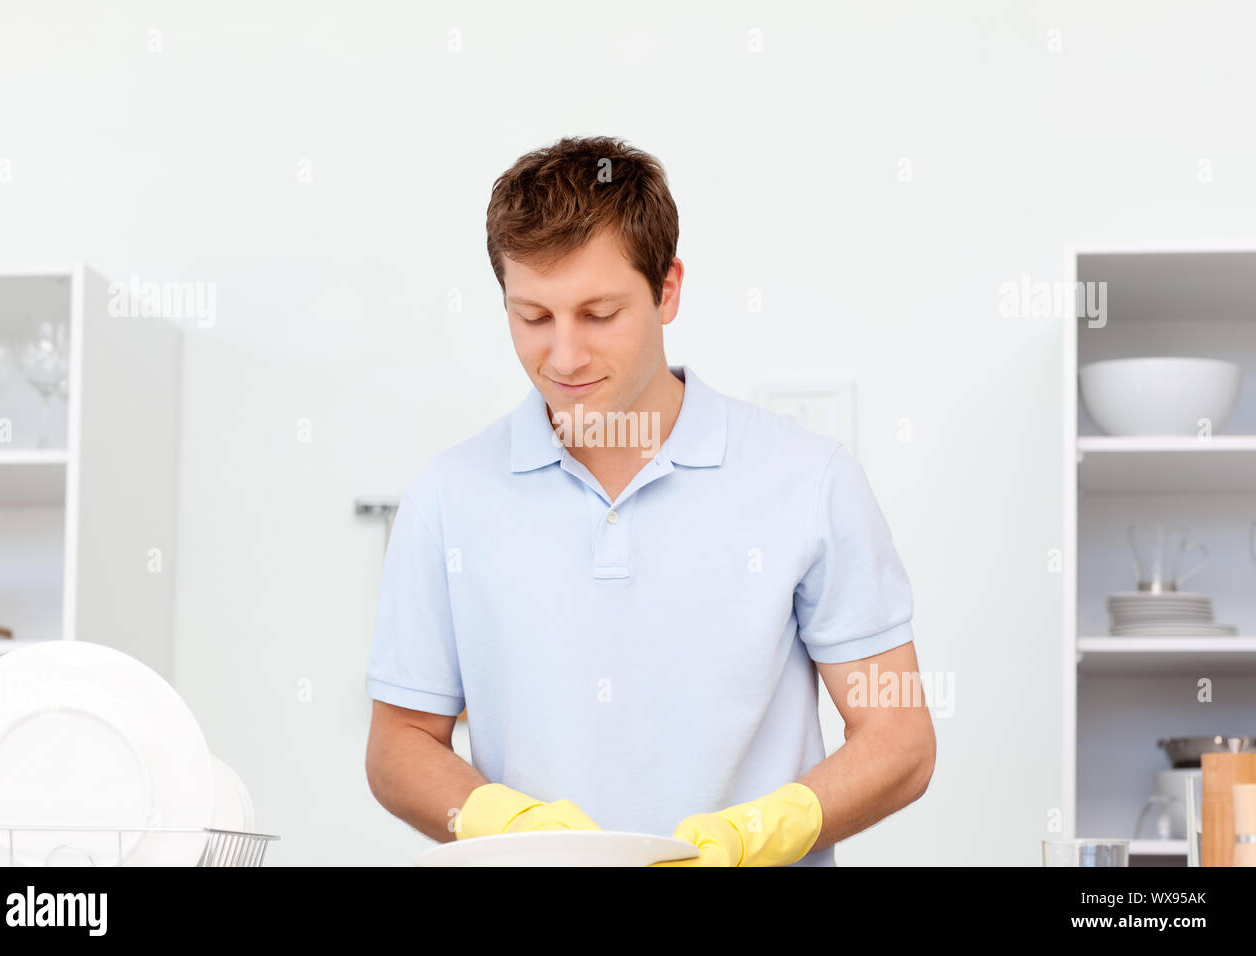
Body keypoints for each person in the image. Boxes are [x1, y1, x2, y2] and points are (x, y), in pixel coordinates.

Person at [364, 135, 935, 866]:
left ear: (668, 289)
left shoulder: (808, 479)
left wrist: (760, 833)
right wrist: (506, 825)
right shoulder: (448, 498)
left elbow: (901, 739)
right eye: (532, 317)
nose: (563, 357)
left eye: (599, 314)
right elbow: (400, 743)